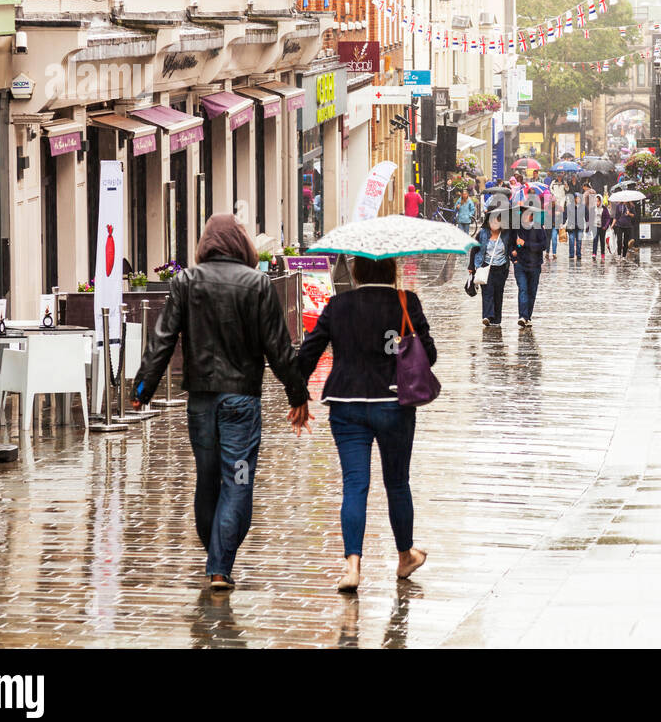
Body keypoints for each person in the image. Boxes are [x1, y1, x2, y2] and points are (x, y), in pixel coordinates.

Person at [132, 214, 309, 593]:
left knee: (207, 480)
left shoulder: (185, 282)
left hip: (200, 404)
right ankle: (219, 567)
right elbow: (278, 347)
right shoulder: (258, 284)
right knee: (238, 482)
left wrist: (143, 387)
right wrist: (297, 394)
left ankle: (216, 559)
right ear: (241, 244)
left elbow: (162, 339)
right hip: (241, 405)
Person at [295, 255, 435, 593]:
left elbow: (308, 353)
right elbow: (429, 355)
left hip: (346, 403)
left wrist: (297, 394)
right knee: (397, 483)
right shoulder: (406, 302)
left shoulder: (338, 304)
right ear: (391, 269)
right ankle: (405, 555)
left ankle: (352, 566)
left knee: (354, 485)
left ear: (356, 270)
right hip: (393, 404)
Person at [469, 211, 511, 326]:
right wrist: (471, 266)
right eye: (492, 221)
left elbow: (511, 248)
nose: (494, 223)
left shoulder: (506, 234)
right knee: (487, 292)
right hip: (485, 267)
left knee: (498, 293)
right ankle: (487, 316)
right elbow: (474, 249)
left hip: (501, 268)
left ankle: (496, 319)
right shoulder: (482, 233)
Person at [512, 206, 548, 326]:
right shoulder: (517, 228)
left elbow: (543, 245)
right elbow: (511, 244)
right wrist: (514, 258)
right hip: (520, 264)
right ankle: (522, 316)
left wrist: (526, 244)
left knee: (532, 291)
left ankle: (527, 317)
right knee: (523, 289)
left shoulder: (538, 228)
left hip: (535, 265)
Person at [564, 190, 584, 260]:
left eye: (579, 198)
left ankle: (578, 254)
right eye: (577, 198)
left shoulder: (582, 206)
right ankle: (571, 254)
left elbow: (587, 215)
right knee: (571, 240)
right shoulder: (569, 206)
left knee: (579, 241)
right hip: (571, 226)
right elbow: (565, 215)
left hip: (580, 226)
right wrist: (562, 223)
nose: (578, 199)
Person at [594, 197, 612, 261]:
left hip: (602, 227)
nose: (597, 203)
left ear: (600, 201)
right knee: (595, 240)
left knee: (602, 241)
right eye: (596, 201)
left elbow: (608, 218)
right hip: (595, 226)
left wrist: (606, 226)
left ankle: (602, 254)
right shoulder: (594, 208)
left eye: (598, 201)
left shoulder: (604, 209)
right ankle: (594, 253)